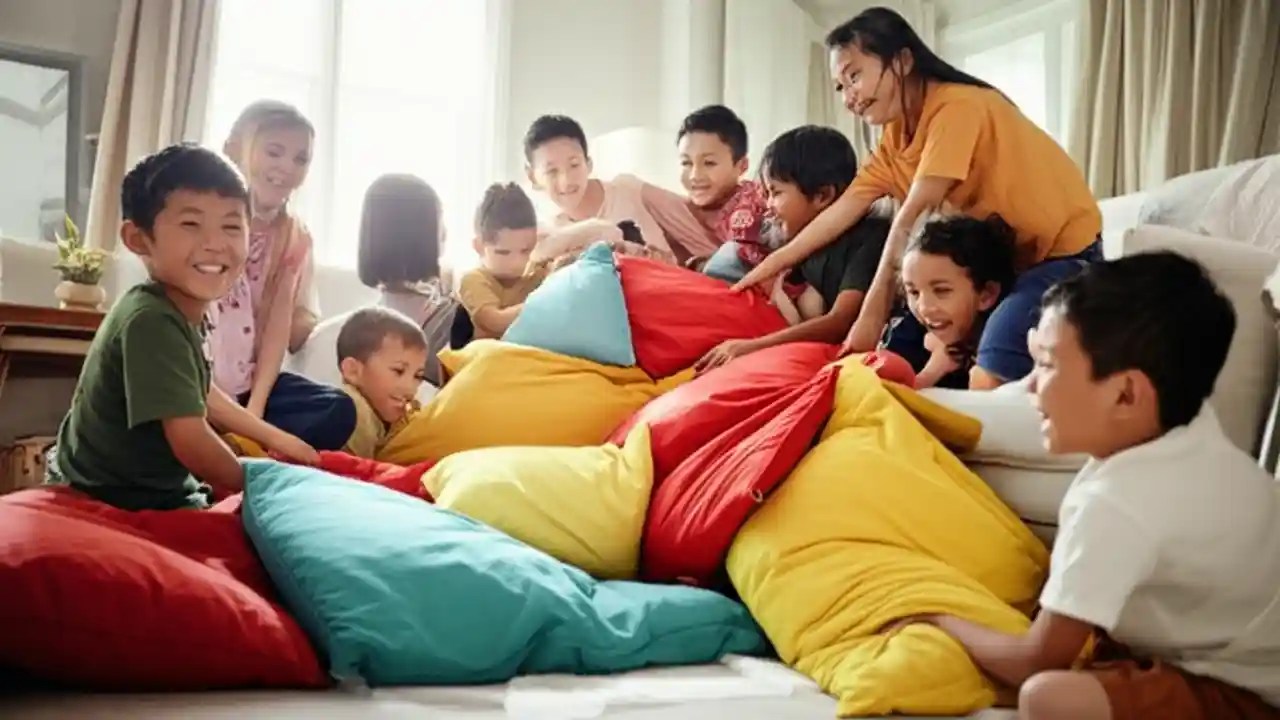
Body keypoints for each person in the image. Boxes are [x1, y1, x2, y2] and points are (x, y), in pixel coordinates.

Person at [893, 253, 1280, 720]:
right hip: (1233, 638)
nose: (1030, 387)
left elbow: (1035, 662)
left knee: (1047, 697)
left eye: (1048, 366)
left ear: (1125, 394)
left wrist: (933, 617)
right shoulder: (1189, 428)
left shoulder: (1118, 506)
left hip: (1243, 687)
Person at [731, 8, 1102, 389]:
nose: (847, 97)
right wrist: (767, 268)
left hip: (1063, 256)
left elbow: (910, 217)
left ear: (903, 61)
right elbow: (842, 211)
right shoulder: (893, 140)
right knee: (894, 357)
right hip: (998, 268)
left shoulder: (958, 106)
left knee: (991, 367)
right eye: (840, 86)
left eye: (854, 75)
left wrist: (869, 318)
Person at [46, 144, 319, 511]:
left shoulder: (178, 308)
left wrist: (281, 441)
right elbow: (191, 439)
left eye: (231, 226)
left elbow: (202, 392)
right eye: (191, 224)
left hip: (150, 489)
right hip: (121, 497)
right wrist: (266, 484)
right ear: (139, 239)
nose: (215, 244)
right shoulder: (151, 319)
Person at [212, 100, 356, 451]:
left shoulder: (294, 236)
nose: (286, 168)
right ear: (235, 150)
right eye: (274, 152)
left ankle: (243, 440)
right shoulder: (210, 223)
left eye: (300, 159)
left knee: (337, 410)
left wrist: (254, 415)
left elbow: (278, 331)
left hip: (248, 385)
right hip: (196, 381)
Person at [695, 126, 890, 373]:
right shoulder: (799, 245)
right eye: (766, 194)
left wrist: (752, 347)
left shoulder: (868, 237)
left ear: (822, 196)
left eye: (775, 193)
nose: (767, 206)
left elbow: (841, 321)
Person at [288, 173, 456, 390]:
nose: (445, 233)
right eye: (440, 221)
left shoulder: (328, 337)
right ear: (428, 234)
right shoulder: (452, 325)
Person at [677, 104, 823, 323]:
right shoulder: (683, 211)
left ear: (742, 165)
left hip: (780, 271)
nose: (695, 175)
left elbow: (770, 240)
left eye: (709, 163)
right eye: (686, 163)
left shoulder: (753, 199)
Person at [524, 114, 718, 264]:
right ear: (532, 177)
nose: (566, 181)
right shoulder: (550, 237)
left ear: (588, 163)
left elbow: (696, 232)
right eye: (551, 171)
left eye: (574, 165)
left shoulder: (628, 191)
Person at [898, 214, 1017, 389]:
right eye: (913, 292)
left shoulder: (1002, 359)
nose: (923, 308)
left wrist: (933, 370)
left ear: (986, 295)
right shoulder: (910, 338)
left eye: (942, 290)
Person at [336, 307, 428, 458]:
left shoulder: (385, 414)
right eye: (398, 371)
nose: (410, 389)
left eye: (417, 376)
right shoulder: (352, 410)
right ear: (353, 371)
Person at [457, 182, 546, 340]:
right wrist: (548, 302)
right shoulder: (474, 279)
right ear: (479, 247)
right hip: (490, 357)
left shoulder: (538, 271)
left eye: (526, 250)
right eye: (503, 253)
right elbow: (494, 322)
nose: (517, 262)